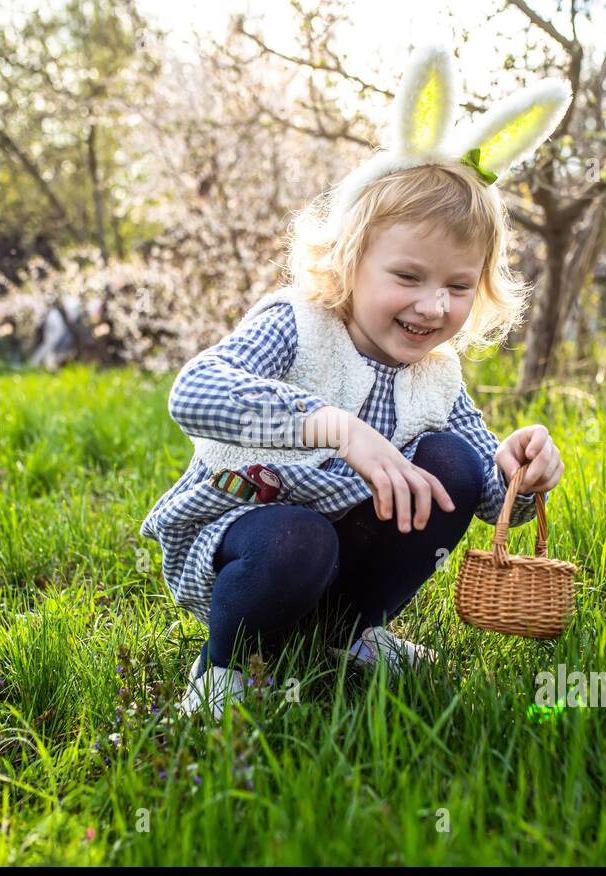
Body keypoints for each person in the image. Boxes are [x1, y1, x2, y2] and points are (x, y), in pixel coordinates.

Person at [139, 45, 573, 719]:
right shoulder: (299, 325)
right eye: (408, 277)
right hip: (244, 538)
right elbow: (193, 393)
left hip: (346, 553)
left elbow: (485, 497)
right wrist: (335, 427)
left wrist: (523, 473)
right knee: (296, 539)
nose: (433, 307)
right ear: (349, 258)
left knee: (454, 460)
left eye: (458, 287)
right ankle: (225, 668)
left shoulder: (435, 373)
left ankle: (347, 634)